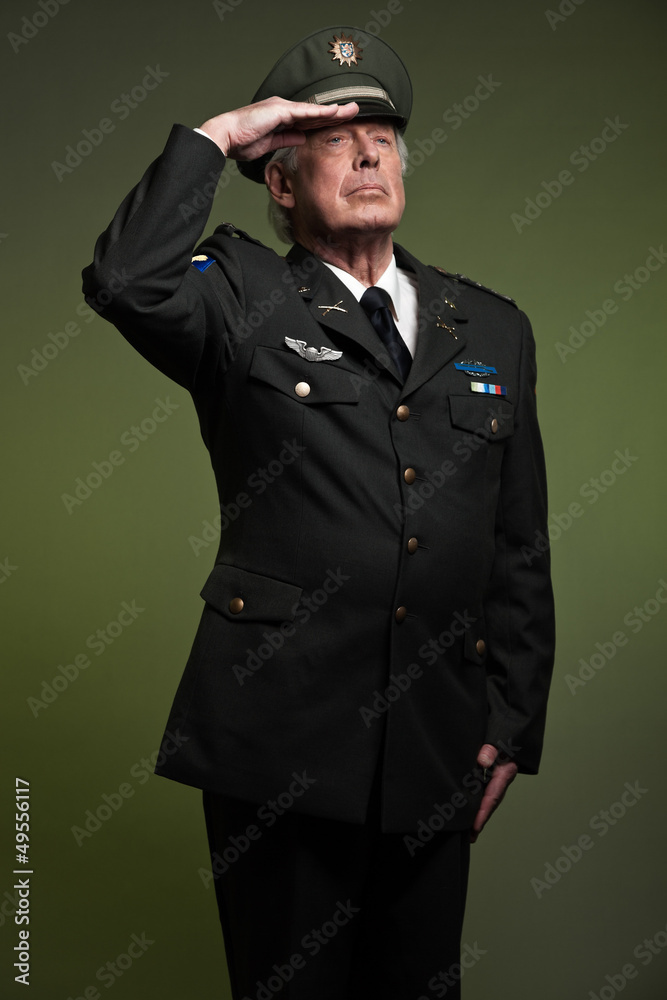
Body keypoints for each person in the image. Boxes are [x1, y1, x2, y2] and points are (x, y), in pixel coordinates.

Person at [82, 25, 555, 1000]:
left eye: (381, 133)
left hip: (433, 739)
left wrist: (510, 721)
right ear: (282, 183)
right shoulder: (244, 293)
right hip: (280, 747)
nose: (369, 150)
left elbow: (516, 541)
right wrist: (218, 135)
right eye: (334, 138)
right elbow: (125, 280)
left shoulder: (491, 325)